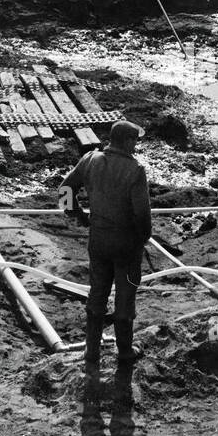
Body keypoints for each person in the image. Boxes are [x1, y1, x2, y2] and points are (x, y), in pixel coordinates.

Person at [61, 120, 152, 376]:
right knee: (125, 297)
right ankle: (124, 351)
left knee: (97, 294)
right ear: (127, 141)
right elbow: (142, 215)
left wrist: (77, 215)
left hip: (98, 242)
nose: (136, 145)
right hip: (126, 246)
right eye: (135, 140)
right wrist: (143, 238)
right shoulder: (136, 170)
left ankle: (92, 351)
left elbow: (65, 188)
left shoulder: (90, 159)